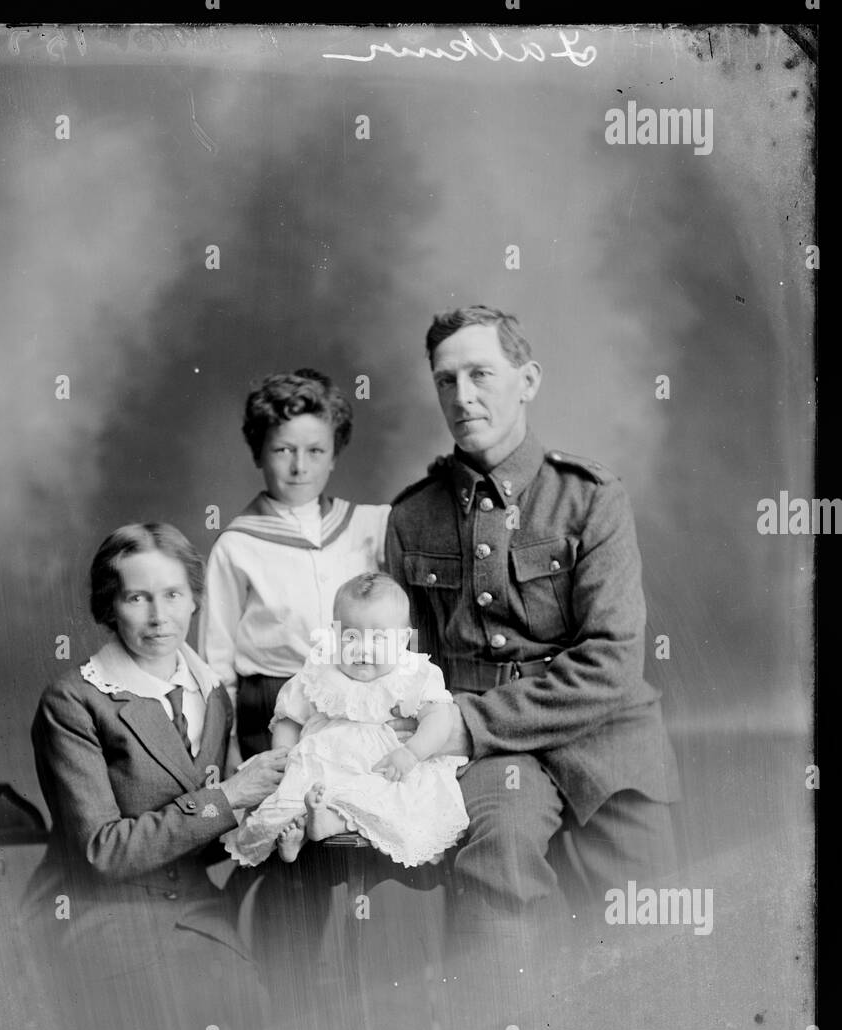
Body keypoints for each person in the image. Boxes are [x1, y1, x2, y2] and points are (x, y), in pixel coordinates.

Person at [385, 305, 681, 941]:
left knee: (648, 921)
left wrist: (465, 723)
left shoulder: (590, 496)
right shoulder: (412, 517)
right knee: (494, 880)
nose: (462, 397)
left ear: (528, 380)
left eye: (481, 374)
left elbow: (611, 661)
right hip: (488, 751)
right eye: (446, 380)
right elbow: (412, 670)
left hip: (605, 733)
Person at [22, 523, 286, 1030]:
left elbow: (205, 840)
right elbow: (102, 852)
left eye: (172, 594)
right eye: (136, 597)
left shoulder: (211, 693)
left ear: (195, 599)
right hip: (98, 913)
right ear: (108, 608)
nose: (159, 615)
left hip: (196, 907)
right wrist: (229, 798)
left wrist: (267, 821)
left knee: (257, 1025)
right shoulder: (73, 702)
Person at [203, 368, 391, 761]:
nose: (300, 467)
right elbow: (215, 664)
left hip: (356, 699)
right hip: (269, 711)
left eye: (315, 451)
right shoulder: (237, 546)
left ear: (334, 455)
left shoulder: (368, 525)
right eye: (283, 450)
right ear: (258, 453)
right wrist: (228, 746)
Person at [223, 572, 469, 869]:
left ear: (404, 638)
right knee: (293, 797)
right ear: (334, 633)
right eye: (350, 636)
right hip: (321, 765)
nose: (362, 649)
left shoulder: (412, 673)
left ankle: (328, 822)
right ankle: (295, 837)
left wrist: (412, 752)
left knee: (378, 800)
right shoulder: (320, 671)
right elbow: (290, 718)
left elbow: (439, 718)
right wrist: (284, 753)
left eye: (379, 637)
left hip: (383, 767)